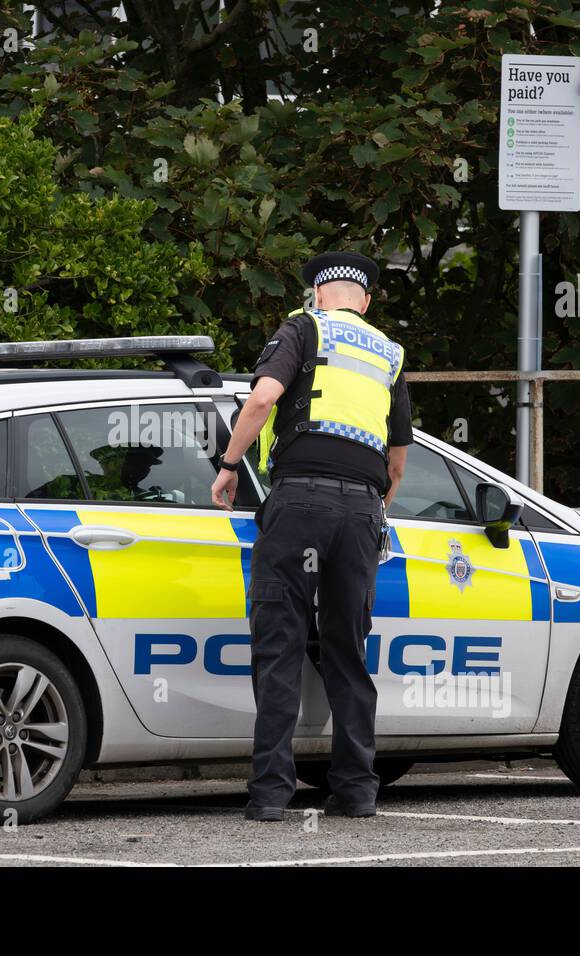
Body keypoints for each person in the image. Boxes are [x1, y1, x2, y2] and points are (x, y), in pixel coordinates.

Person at [210, 250, 412, 821]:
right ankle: (356, 792)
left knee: (279, 648)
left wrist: (228, 467)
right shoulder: (390, 355)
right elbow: (397, 465)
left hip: (299, 500)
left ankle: (272, 795)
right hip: (362, 509)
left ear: (318, 293)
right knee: (348, 651)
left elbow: (262, 399)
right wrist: (370, 510)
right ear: (365, 301)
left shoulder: (304, 328)